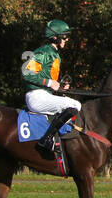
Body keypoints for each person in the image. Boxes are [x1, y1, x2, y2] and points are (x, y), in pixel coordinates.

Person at [23, 19, 82, 158]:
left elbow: (49, 81)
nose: (67, 39)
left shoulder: (54, 54)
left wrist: (60, 86)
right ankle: (46, 140)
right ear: (55, 37)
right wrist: (50, 83)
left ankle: (54, 138)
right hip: (36, 96)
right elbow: (26, 74)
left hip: (44, 95)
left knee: (72, 105)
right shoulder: (43, 52)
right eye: (65, 36)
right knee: (75, 105)